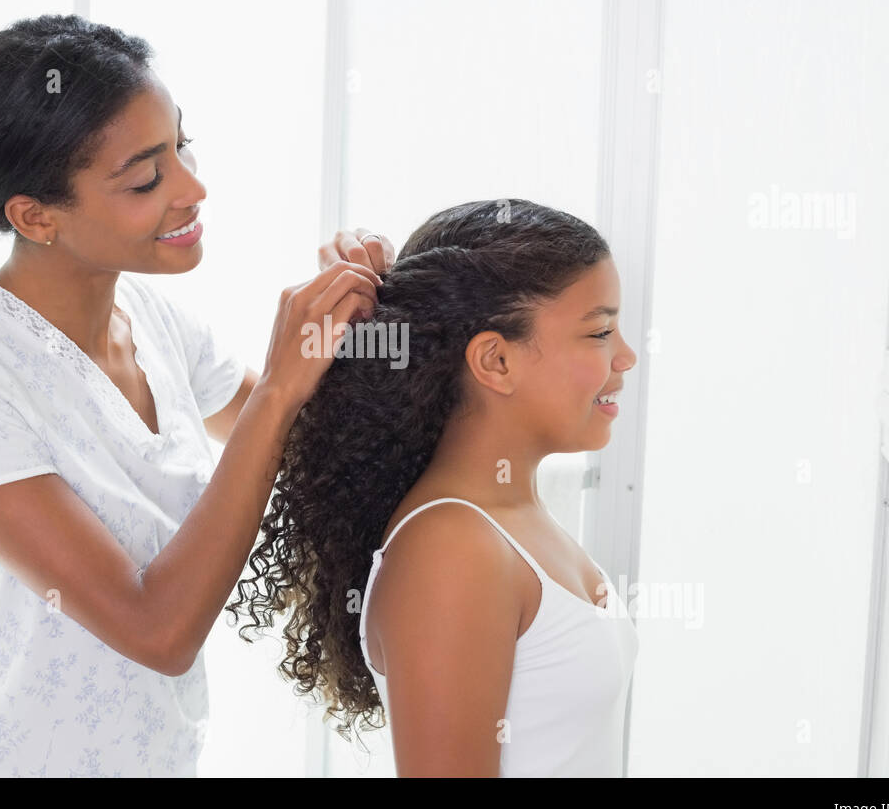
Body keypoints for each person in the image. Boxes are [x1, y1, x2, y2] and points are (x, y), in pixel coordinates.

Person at [0, 13, 389, 776]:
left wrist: (364, 304)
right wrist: (283, 380)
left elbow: (308, 443)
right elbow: (158, 630)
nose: (192, 188)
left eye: (183, 145)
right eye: (146, 177)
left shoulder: (154, 322)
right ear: (34, 216)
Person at [227, 199, 640, 776]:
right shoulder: (453, 549)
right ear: (495, 360)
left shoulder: (511, 518)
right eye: (599, 331)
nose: (627, 356)